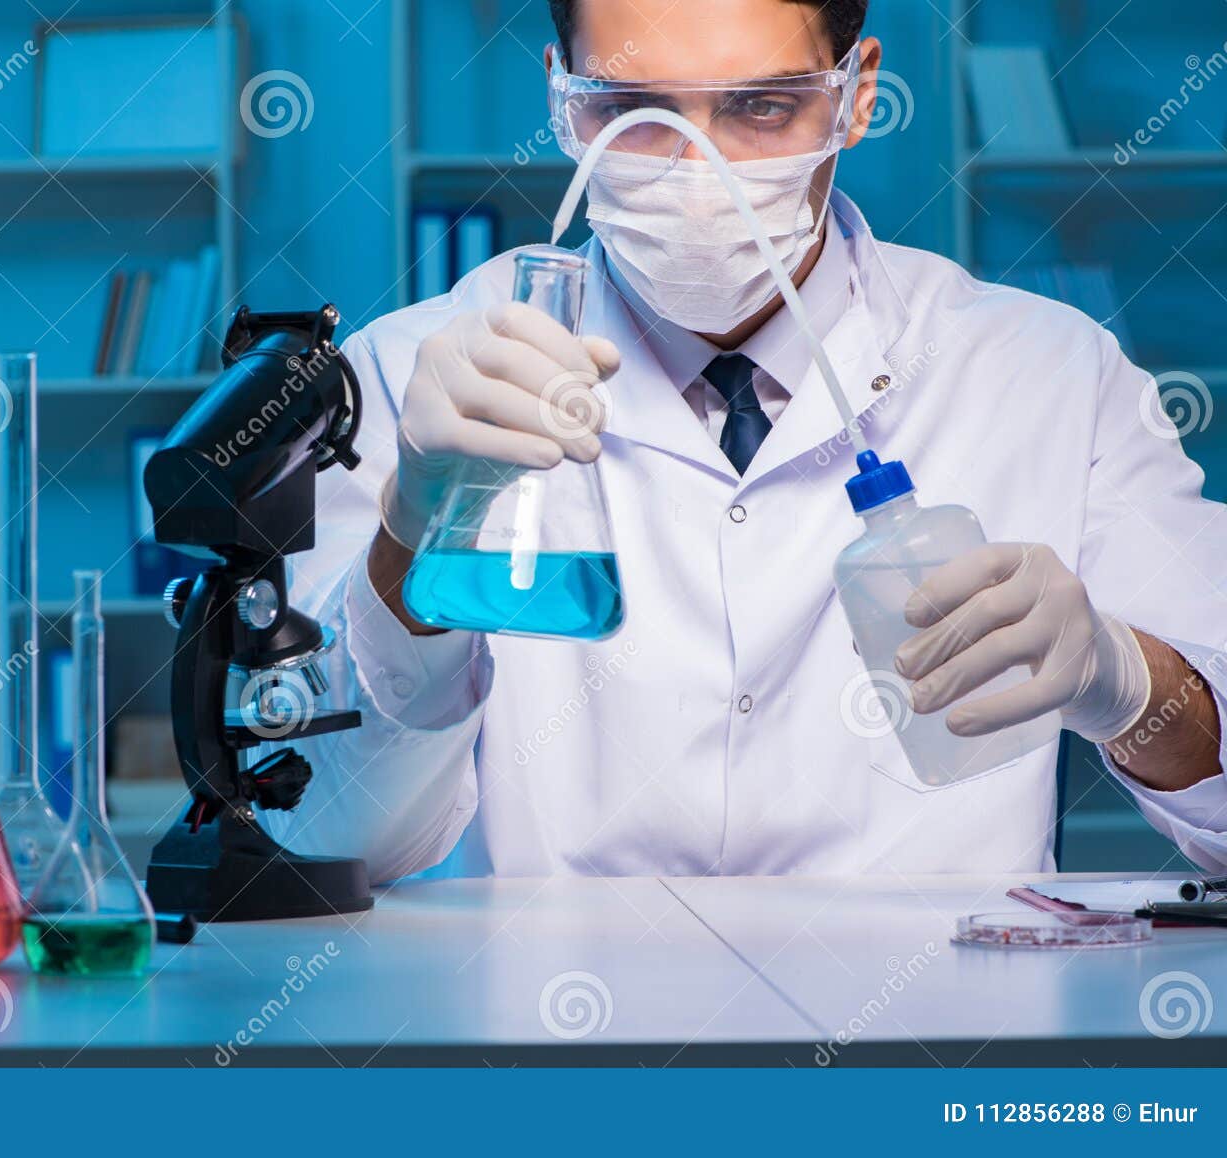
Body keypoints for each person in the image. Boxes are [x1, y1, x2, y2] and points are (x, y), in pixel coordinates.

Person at [259, 0, 1227, 881]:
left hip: (933, 1045)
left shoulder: (1050, 373)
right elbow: (328, 835)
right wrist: (409, 542)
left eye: (761, 106)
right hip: (552, 1051)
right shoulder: (419, 380)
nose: (695, 174)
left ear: (857, 96)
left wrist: (1128, 681)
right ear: (563, 98)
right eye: (635, 110)